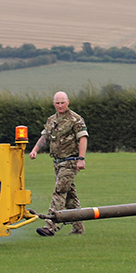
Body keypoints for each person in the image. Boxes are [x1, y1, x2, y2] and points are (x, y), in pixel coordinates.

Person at [30, 91, 89, 236]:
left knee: (59, 191)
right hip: (57, 163)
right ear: (53, 103)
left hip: (70, 162)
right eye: (57, 103)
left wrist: (81, 159)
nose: (60, 105)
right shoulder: (52, 120)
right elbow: (45, 136)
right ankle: (78, 228)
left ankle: (50, 226)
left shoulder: (75, 119)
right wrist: (35, 149)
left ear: (68, 102)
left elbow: (83, 138)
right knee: (70, 197)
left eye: (63, 102)